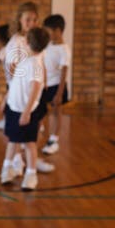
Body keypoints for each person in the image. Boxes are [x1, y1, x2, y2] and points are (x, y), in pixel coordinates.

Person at [3, 2, 54, 178]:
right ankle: (18, 160)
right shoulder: (17, 41)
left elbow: (42, 63)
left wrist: (45, 83)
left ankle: (31, 157)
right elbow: (11, 67)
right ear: (20, 20)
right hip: (19, 91)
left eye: (34, 19)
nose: (31, 23)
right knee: (18, 129)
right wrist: (10, 91)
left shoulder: (38, 39)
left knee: (35, 127)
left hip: (36, 89)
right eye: (27, 19)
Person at [40, 14, 71, 155]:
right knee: (40, 111)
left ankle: (54, 139)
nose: (47, 34)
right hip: (44, 84)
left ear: (58, 30)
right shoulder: (48, 45)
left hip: (57, 86)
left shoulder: (64, 50)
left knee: (56, 112)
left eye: (49, 31)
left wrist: (59, 94)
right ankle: (38, 132)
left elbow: (64, 73)